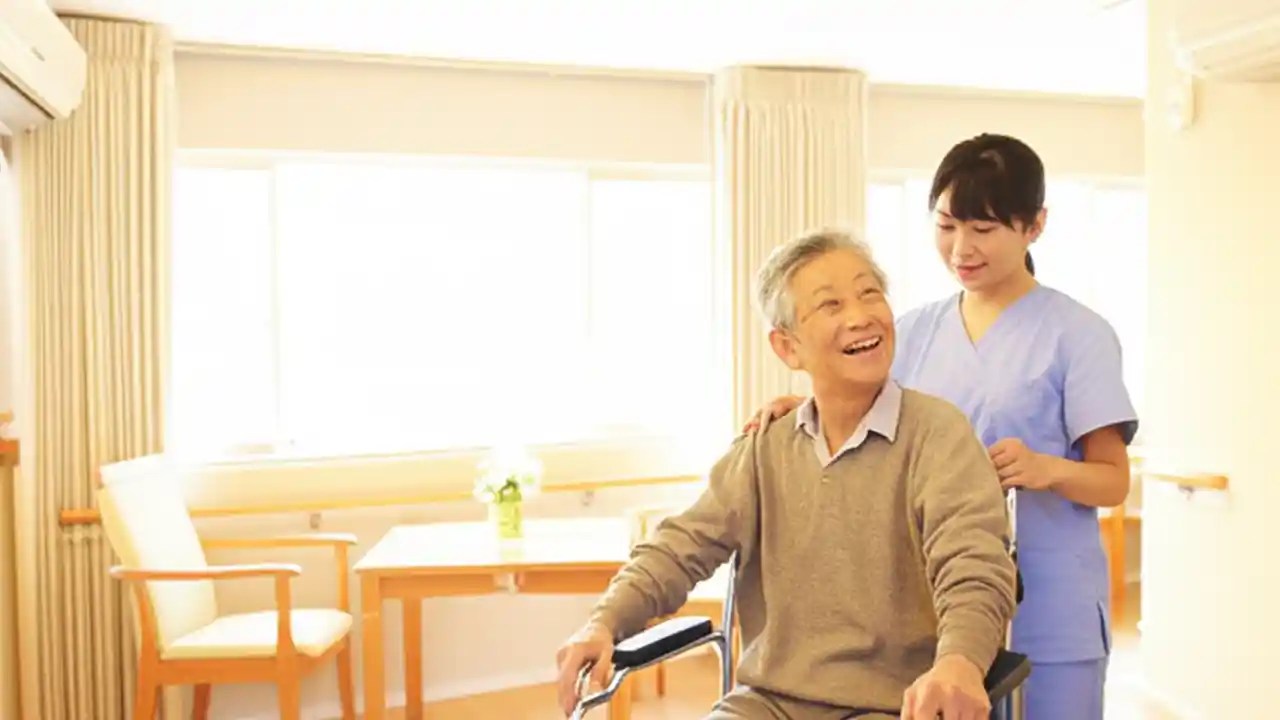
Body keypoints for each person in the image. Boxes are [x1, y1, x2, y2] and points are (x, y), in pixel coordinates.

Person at [746, 134, 1138, 720]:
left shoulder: (1078, 334)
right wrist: (796, 404)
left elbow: (1113, 483)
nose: (962, 248)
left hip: (1051, 607)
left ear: (1035, 226)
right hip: (936, 613)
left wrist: (1045, 469)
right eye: (947, 225)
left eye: (984, 229)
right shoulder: (915, 330)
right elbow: (861, 414)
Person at [555, 230, 1018, 719]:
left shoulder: (938, 434)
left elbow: (973, 567)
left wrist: (959, 662)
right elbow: (679, 546)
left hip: (890, 706)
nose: (860, 316)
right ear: (787, 347)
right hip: (765, 704)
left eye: (869, 294)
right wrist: (603, 622)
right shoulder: (765, 446)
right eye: (831, 305)